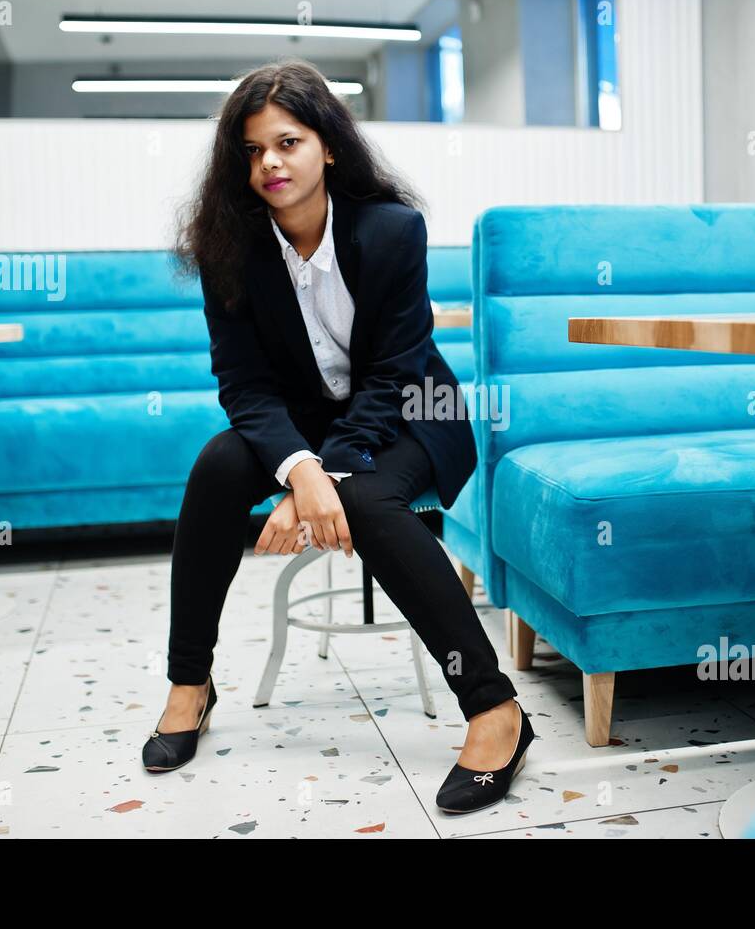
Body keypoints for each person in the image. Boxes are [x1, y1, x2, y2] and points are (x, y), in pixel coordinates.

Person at [143, 58, 533, 813]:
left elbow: (394, 374)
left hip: (413, 409)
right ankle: (190, 681)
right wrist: (302, 471)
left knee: (368, 500)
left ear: (328, 146)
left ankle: (495, 709)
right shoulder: (230, 248)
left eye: (287, 142)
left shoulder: (392, 231)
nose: (270, 163)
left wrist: (326, 477)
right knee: (216, 467)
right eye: (252, 150)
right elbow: (244, 386)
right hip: (308, 422)